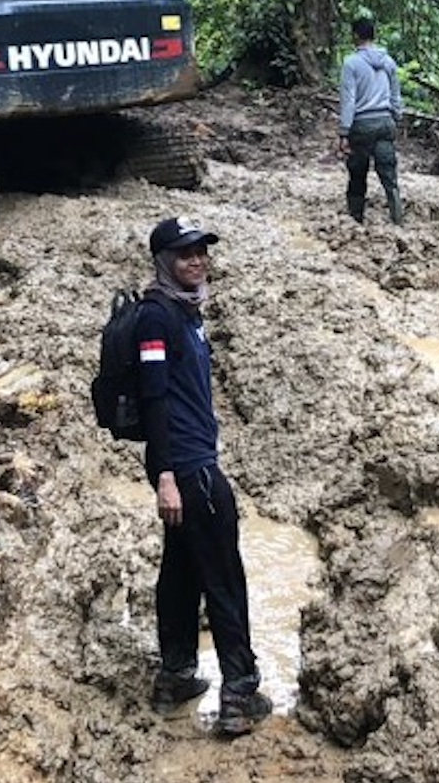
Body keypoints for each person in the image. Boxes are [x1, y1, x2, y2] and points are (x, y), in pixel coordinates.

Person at [136, 217, 272, 736]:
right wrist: (168, 475)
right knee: (224, 575)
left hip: (187, 461)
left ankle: (175, 676)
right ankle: (239, 693)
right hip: (188, 467)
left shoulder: (185, 311)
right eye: (185, 253)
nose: (197, 261)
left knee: (182, 568)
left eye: (201, 252)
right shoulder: (157, 319)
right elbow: (153, 398)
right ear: (163, 260)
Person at [337, 16, 404, 224]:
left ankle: (356, 218)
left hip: (362, 125)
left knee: (358, 172)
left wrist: (344, 131)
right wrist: (397, 118)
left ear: (356, 35)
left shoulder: (351, 63)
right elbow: (396, 96)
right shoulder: (389, 62)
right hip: (385, 122)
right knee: (389, 174)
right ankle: (397, 218)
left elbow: (349, 100)